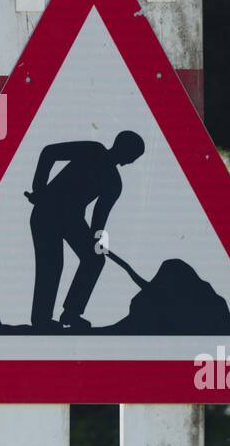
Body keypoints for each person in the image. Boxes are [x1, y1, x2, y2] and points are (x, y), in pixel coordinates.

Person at [24, 131, 145, 331]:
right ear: (126, 151)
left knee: (95, 259)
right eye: (133, 155)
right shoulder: (93, 150)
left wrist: (98, 242)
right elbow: (49, 152)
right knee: (52, 264)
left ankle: (72, 313)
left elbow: (99, 219)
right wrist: (39, 189)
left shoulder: (114, 183)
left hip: (72, 220)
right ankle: (41, 319)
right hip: (47, 212)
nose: (132, 161)